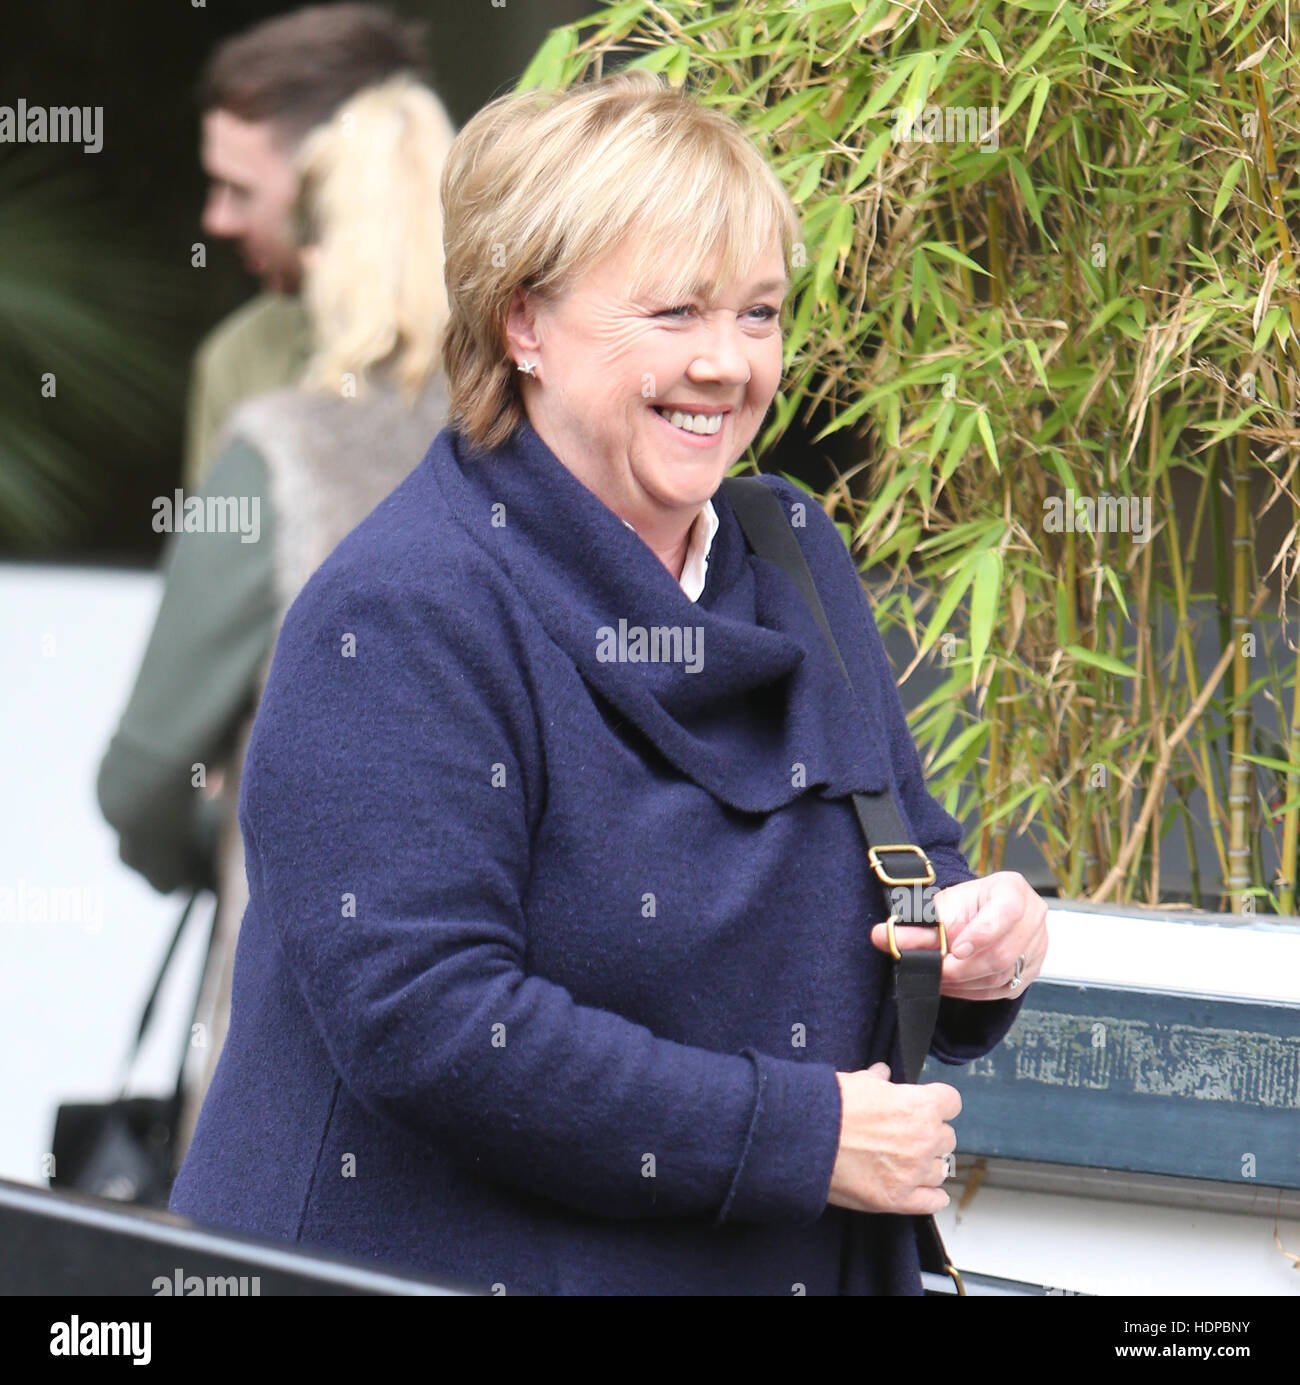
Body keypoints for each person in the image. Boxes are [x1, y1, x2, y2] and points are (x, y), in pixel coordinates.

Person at [167, 67, 1049, 1295]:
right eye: (674, 313)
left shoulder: (791, 548)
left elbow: (909, 862)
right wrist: (801, 1136)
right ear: (523, 321)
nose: (727, 364)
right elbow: (431, 1019)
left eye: (756, 312)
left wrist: (973, 943)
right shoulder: (406, 610)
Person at [97, 74, 455, 1160]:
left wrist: (214, 835)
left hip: (295, 1048)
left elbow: (140, 775)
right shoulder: (535, 455)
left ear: (320, 246)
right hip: (514, 1055)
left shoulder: (284, 454)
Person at [187, 3, 431, 489]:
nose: (216, 220)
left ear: (330, 177)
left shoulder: (503, 344)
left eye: (239, 190)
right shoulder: (240, 358)